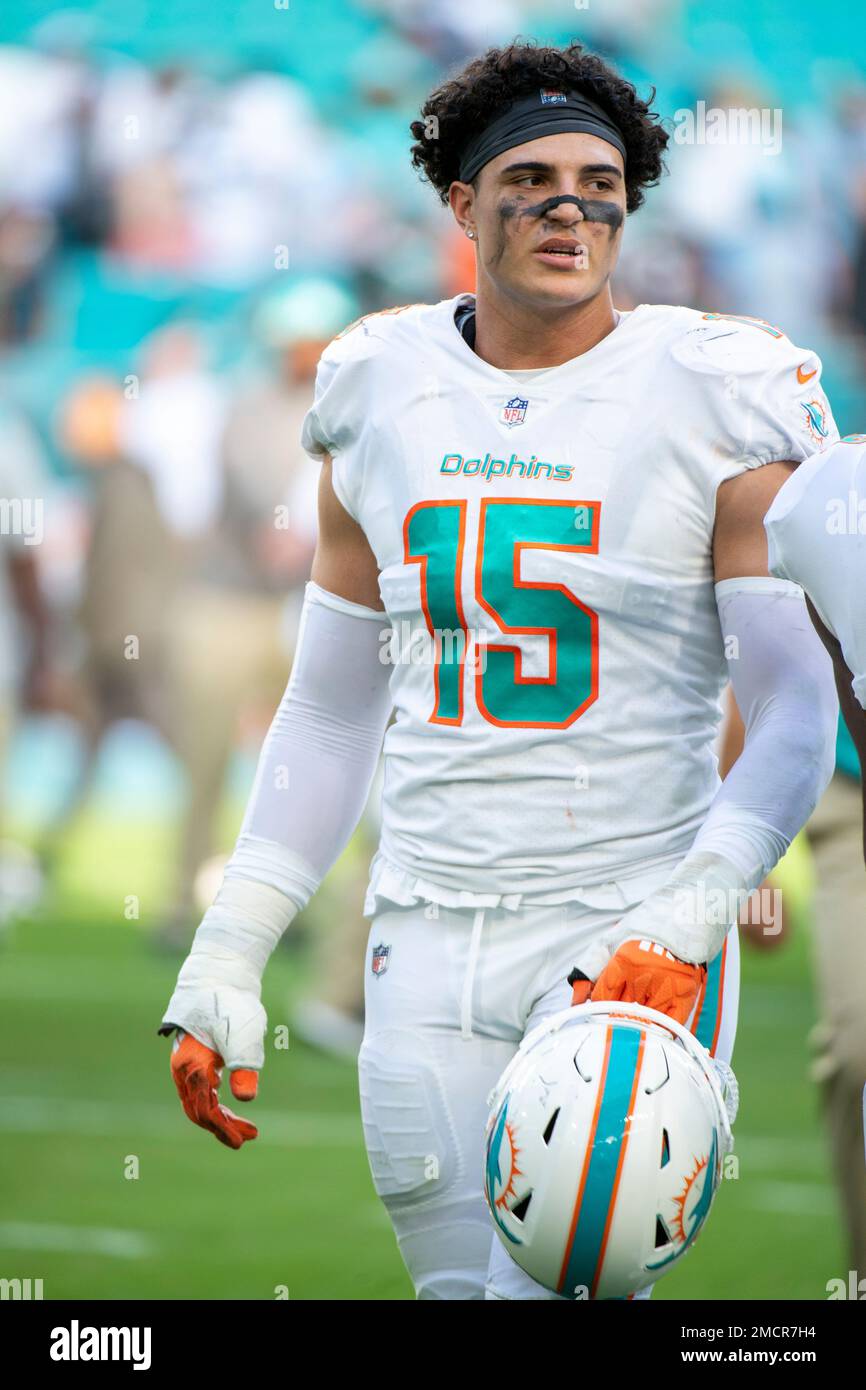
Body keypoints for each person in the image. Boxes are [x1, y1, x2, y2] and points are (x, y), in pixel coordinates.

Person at [161, 41, 840, 1300]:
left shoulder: (715, 386)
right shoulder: (378, 383)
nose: (568, 207)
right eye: (527, 177)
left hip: (627, 923)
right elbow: (330, 702)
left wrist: (694, 904)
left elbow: (793, 708)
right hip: (420, 927)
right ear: (461, 202)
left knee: (559, 1295)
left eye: (598, 181)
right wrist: (230, 942)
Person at [762, 433, 866, 1271]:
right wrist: (745, 858)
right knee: (863, 1041)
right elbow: (778, 663)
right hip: (856, 800)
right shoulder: (830, 482)